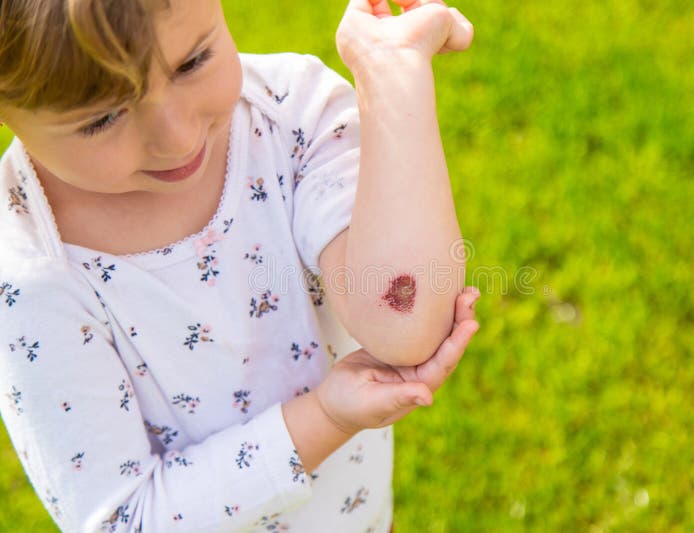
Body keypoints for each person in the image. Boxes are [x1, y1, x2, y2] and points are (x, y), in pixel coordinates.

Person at [0, 0, 478, 531]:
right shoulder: (28, 282)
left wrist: (394, 77)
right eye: (103, 119)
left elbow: (403, 322)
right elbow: (124, 519)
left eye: (192, 63)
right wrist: (324, 418)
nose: (179, 138)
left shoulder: (290, 115)